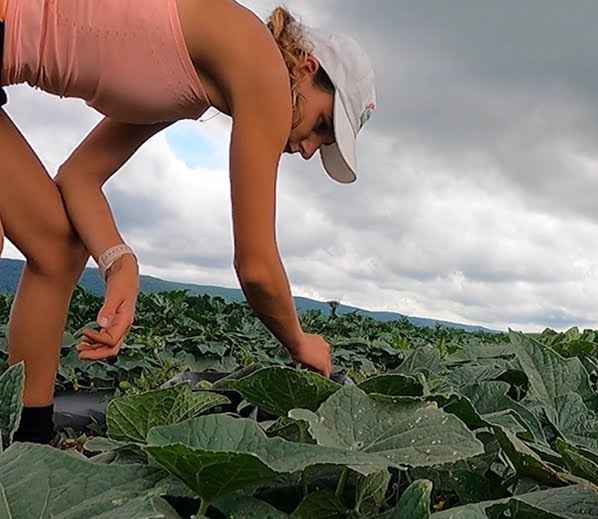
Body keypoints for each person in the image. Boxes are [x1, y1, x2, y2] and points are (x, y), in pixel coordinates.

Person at [0, 0, 376, 444]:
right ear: (307, 68)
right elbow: (255, 266)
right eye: (322, 125)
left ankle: (28, 445)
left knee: (56, 248)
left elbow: (79, 179)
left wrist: (120, 262)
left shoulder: (189, 78)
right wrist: (299, 340)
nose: (310, 150)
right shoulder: (266, 71)